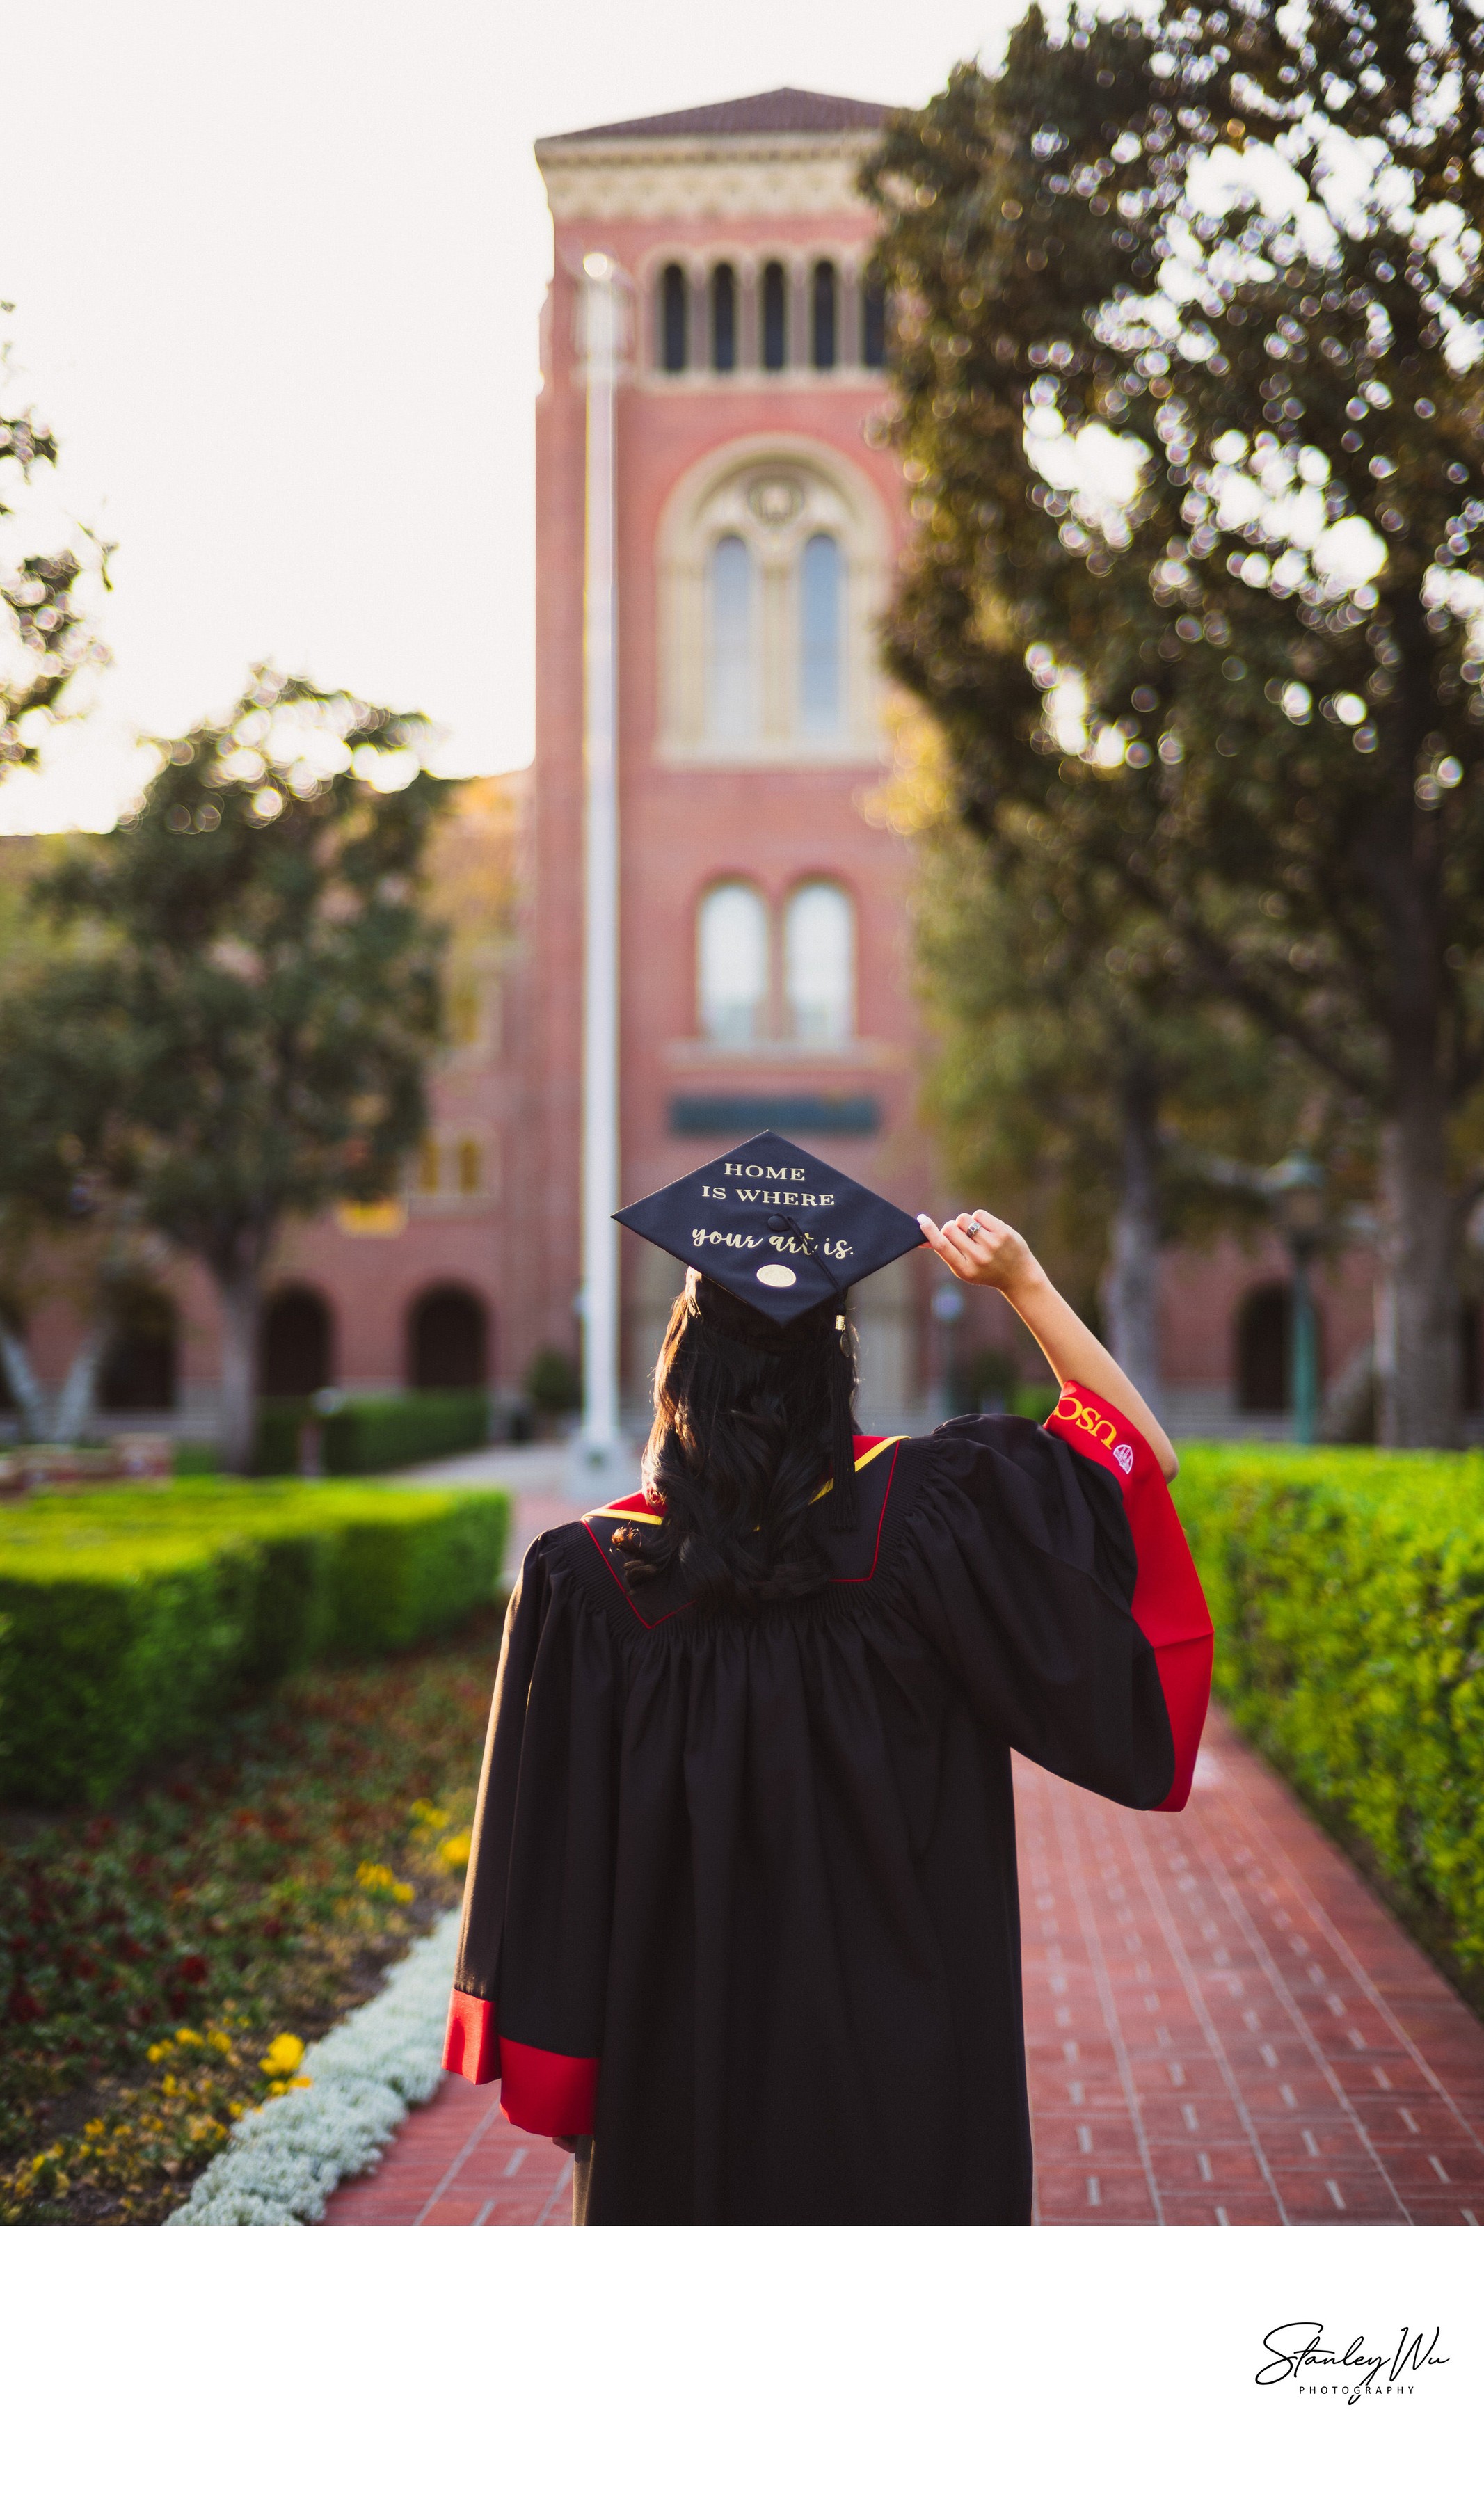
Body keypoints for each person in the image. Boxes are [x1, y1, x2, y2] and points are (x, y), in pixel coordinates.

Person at [442, 1134, 1211, 2223]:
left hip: (682, 2055)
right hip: (913, 2043)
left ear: (678, 1375)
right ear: (835, 1370)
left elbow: (553, 1846)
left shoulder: (588, 1577)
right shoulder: (935, 1516)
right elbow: (1136, 1457)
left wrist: (564, 2069)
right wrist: (1023, 1285)